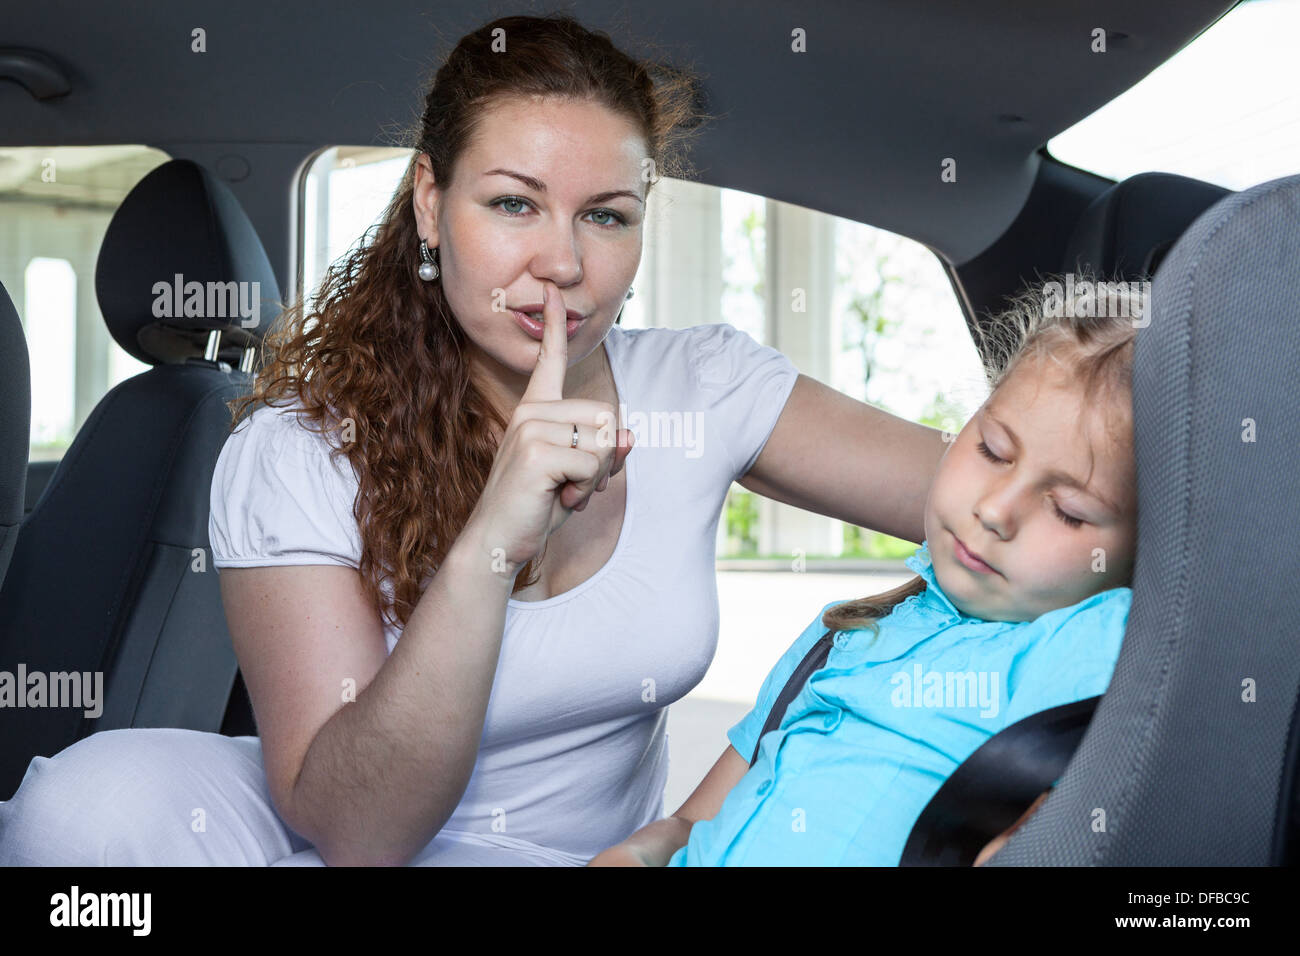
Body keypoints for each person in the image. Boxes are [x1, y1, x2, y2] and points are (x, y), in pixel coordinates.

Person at [0, 13, 947, 867]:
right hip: (349, 817)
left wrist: (868, 676)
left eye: (607, 216)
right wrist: (492, 542)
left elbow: (1007, 504)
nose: (565, 264)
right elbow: (360, 833)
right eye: (513, 204)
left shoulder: (705, 387)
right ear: (428, 203)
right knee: (83, 809)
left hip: (568, 855)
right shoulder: (298, 448)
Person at [590, 277, 1142, 865]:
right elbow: (692, 822)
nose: (995, 510)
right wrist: (636, 856)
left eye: (1067, 510)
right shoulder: (847, 633)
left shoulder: (1089, 646)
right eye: (992, 450)